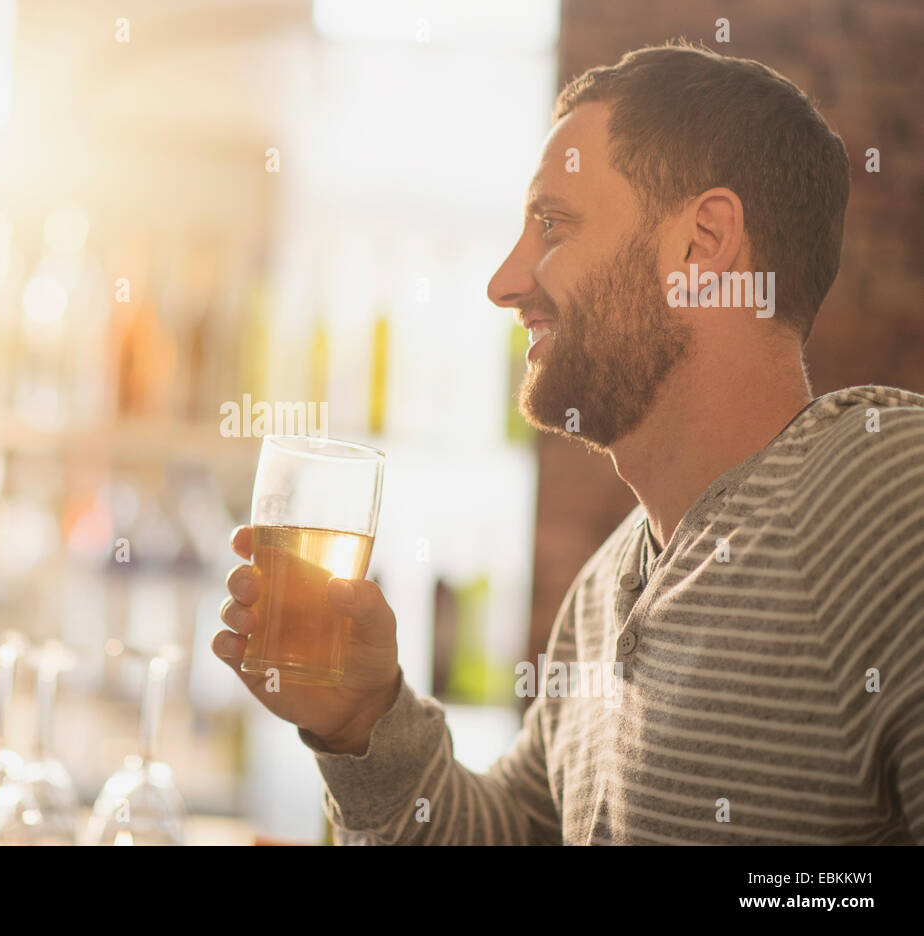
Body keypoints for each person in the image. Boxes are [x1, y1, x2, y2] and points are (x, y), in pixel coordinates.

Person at [212, 41, 924, 844]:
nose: (504, 283)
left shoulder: (887, 495)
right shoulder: (601, 594)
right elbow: (514, 832)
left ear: (703, 244)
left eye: (552, 225)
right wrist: (362, 720)